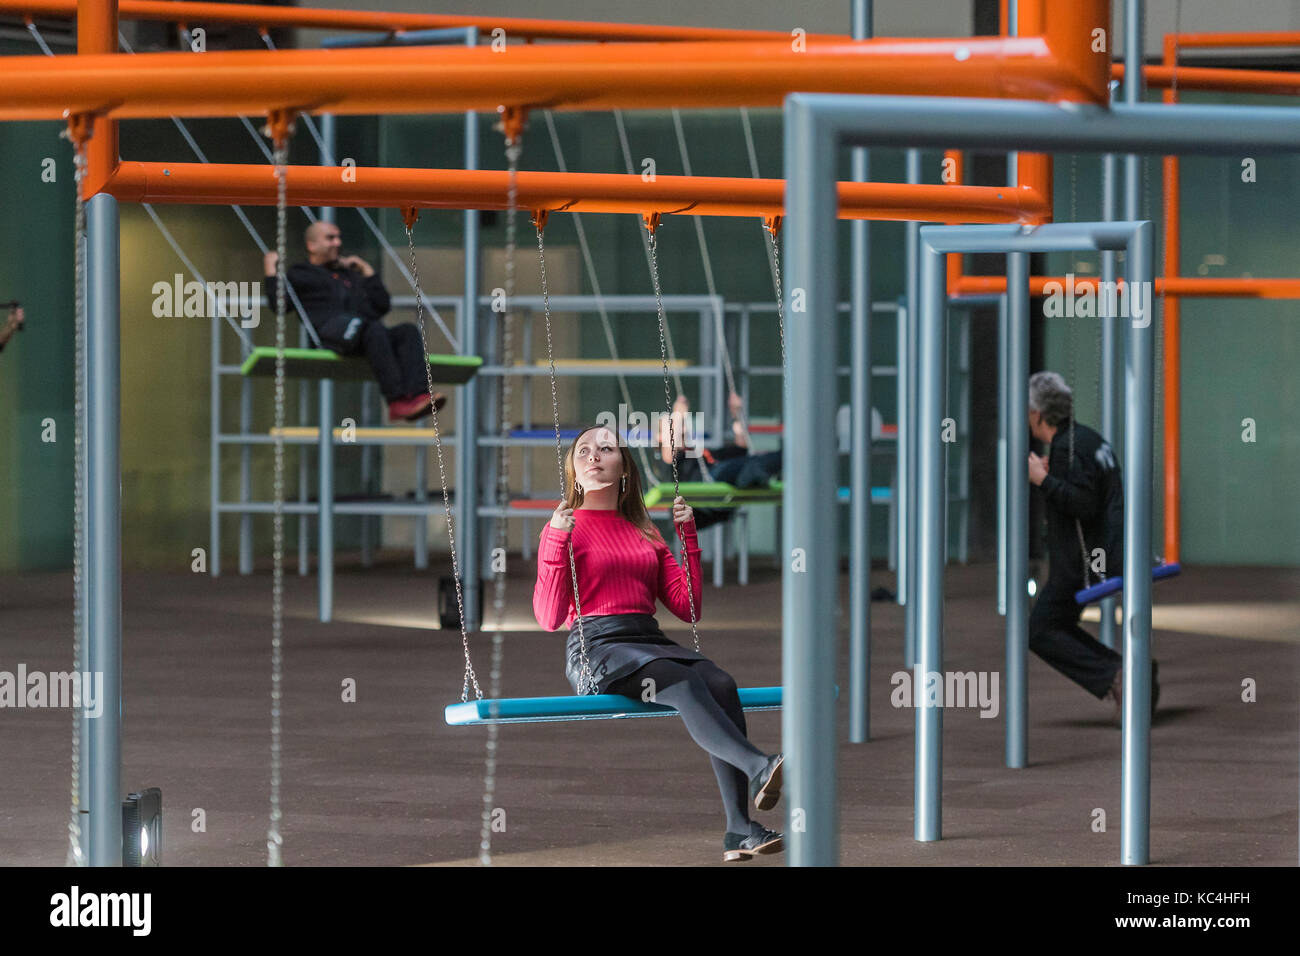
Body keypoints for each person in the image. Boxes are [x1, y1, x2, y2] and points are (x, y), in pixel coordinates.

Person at [533, 425, 785, 862]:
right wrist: (556, 538)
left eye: (606, 449)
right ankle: (759, 766)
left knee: (721, 683)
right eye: (584, 452)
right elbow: (549, 617)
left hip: (647, 639)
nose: (593, 456)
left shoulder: (643, 530)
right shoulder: (563, 528)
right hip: (596, 647)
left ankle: (739, 830)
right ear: (573, 471)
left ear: (624, 466)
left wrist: (688, 538)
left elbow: (687, 608)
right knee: (681, 683)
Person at [1026, 370, 1158, 723]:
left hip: (1087, 563)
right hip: (1108, 552)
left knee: (1040, 630)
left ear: (1037, 415)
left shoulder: (1068, 446)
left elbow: (1083, 503)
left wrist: (1042, 480)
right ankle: (1124, 671)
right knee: (1053, 625)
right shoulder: (1086, 440)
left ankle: (1121, 674)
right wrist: (1054, 475)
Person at [264, 221, 445, 422]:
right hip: (331, 332)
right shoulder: (300, 274)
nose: (337, 242)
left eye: (338, 237)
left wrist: (367, 271)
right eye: (330, 238)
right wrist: (271, 271)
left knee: (407, 332)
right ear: (312, 245)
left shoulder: (347, 274)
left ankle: (418, 395)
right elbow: (280, 305)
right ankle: (397, 401)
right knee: (372, 328)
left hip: (363, 333)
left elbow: (381, 305)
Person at [654, 392, 783, 530]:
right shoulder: (668, 462)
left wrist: (737, 415)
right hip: (709, 488)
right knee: (753, 465)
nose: (682, 428)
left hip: (726, 480)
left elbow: (740, 449)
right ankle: (781, 462)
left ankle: (771, 469)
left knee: (750, 467)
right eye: (672, 425)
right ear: (660, 437)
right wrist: (678, 414)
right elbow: (670, 448)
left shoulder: (701, 454)